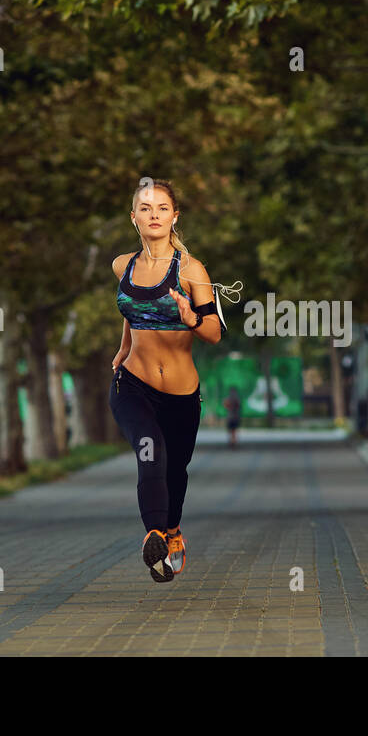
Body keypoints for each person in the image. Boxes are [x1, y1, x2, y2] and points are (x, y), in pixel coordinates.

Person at [110, 179, 227, 583]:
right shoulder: (122, 265)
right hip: (133, 383)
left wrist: (189, 317)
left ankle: (172, 530)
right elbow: (130, 309)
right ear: (134, 218)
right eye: (145, 208)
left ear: (174, 216)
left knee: (176, 469)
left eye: (162, 208)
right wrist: (124, 349)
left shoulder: (191, 270)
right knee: (151, 453)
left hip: (180, 394)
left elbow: (213, 332)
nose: (154, 214)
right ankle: (154, 536)